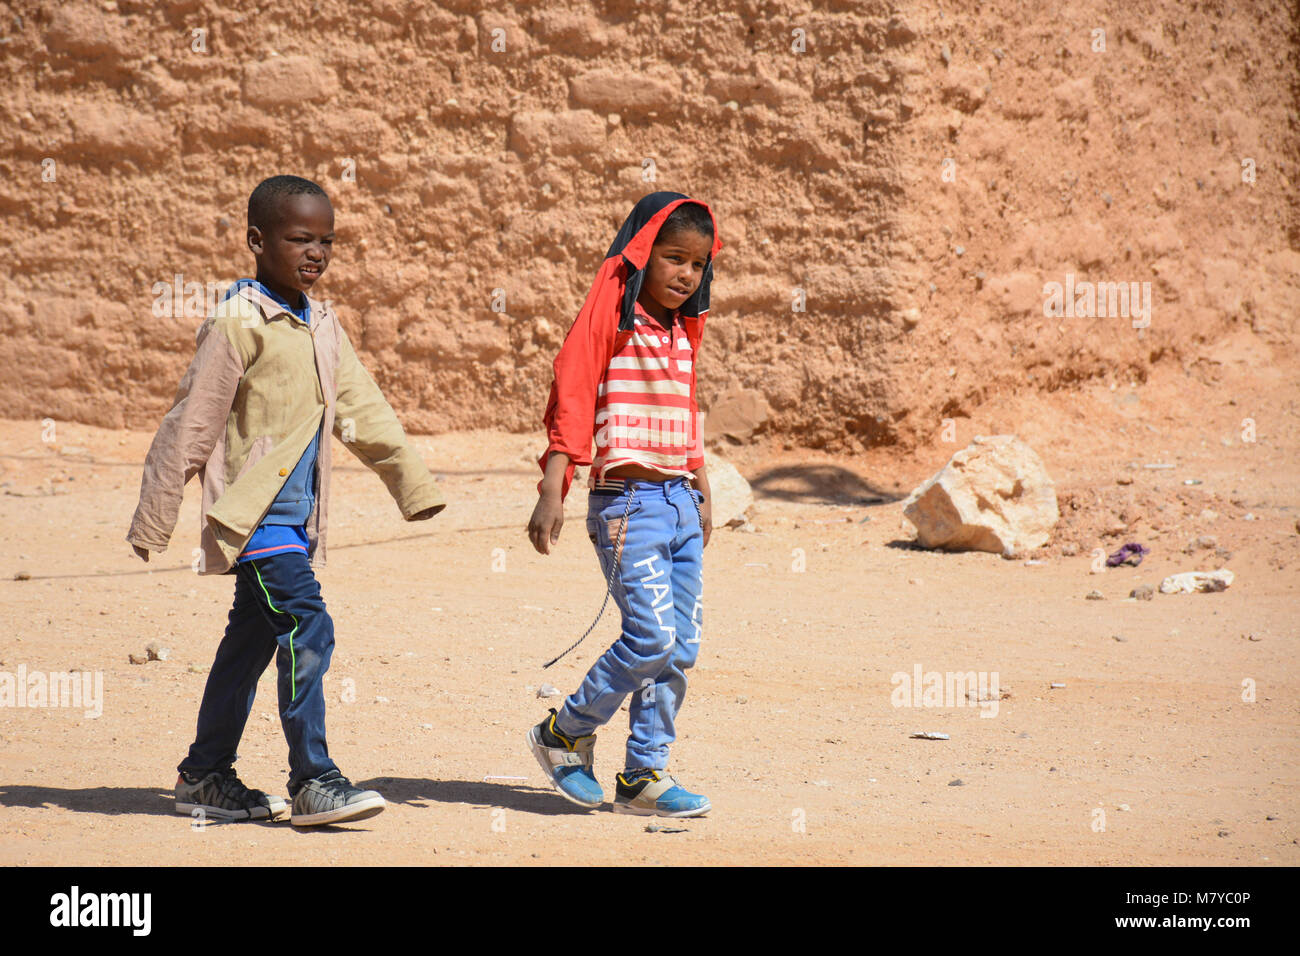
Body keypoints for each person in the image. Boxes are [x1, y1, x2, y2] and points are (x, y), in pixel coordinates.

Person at [127, 175, 445, 826]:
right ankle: (314, 780)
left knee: (248, 643)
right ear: (256, 240)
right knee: (307, 624)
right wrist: (155, 517)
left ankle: (205, 775)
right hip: (256, 521)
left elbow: (364, 412)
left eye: (327, 240)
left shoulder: (321, 321)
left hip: (296, 523)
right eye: (300, 238)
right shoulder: (239, 322)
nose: (316, 252)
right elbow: (193, 421)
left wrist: (414, 488)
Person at [526, 192, 722, 817]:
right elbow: (574, 389)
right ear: (642, 256)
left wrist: (702, 484)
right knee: (650, 637)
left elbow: (682, 408)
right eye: (671, 258)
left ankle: (643, 775)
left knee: (680, 645)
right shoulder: (615, 313)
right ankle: (563, 733)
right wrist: (554, 486)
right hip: (627, 506)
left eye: (697, 263)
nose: (685, 274)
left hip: (679, 503)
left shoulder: (683, 327)